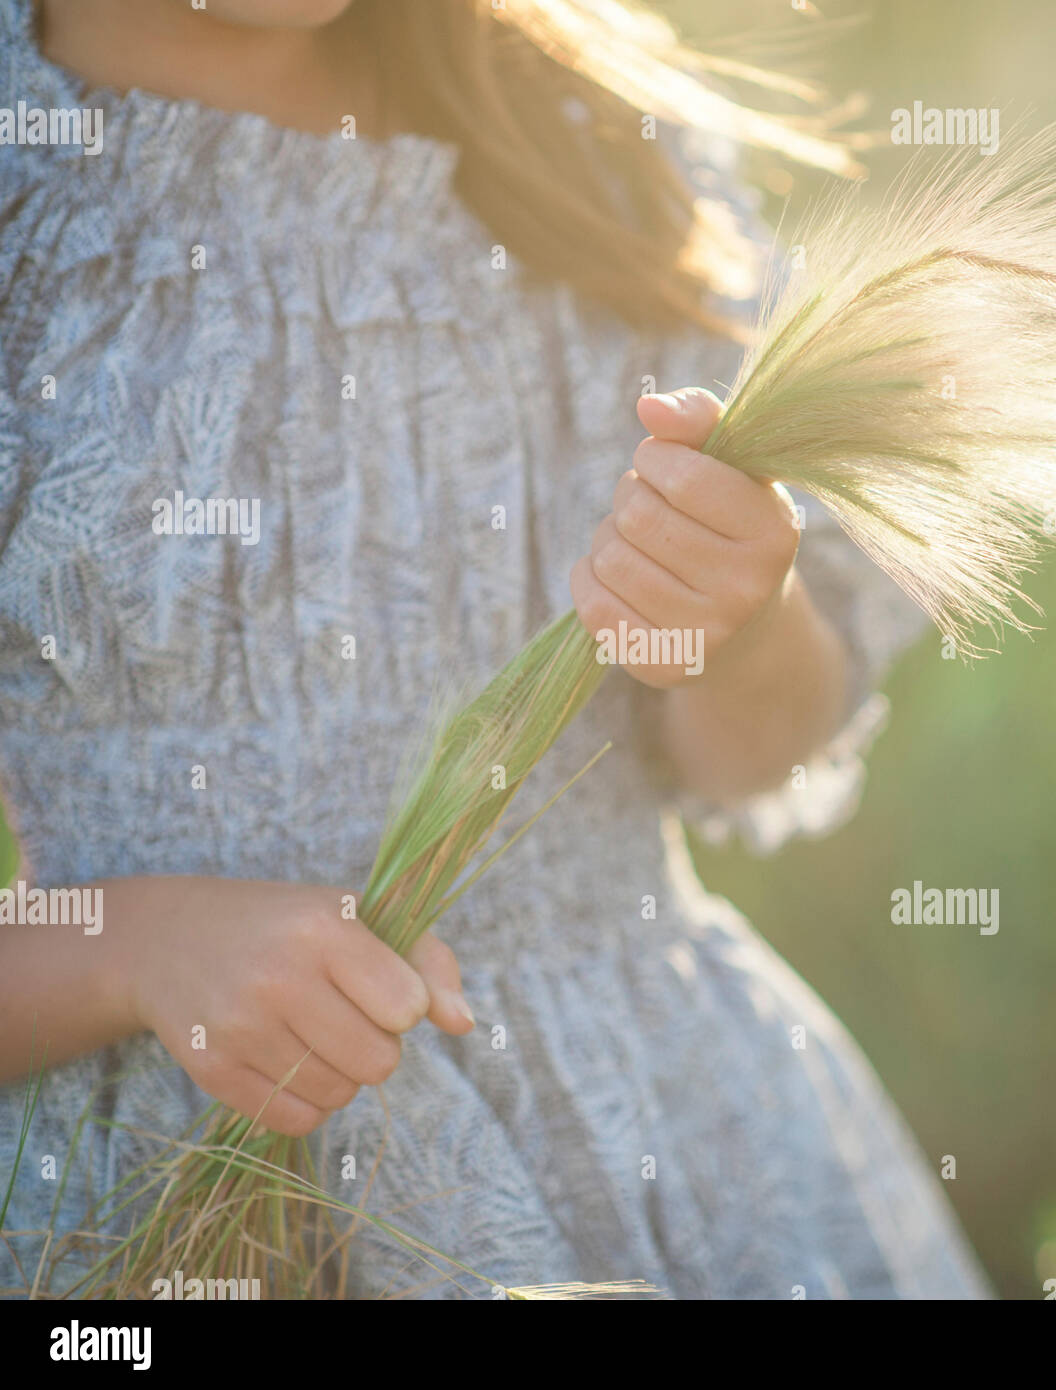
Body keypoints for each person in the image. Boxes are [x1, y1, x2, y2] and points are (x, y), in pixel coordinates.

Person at [0, 0, 986, 1297]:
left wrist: (737, 618)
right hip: (179, 1191)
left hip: (670, 1137)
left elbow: (751, 753)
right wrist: (137, 947)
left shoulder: (576, 128)